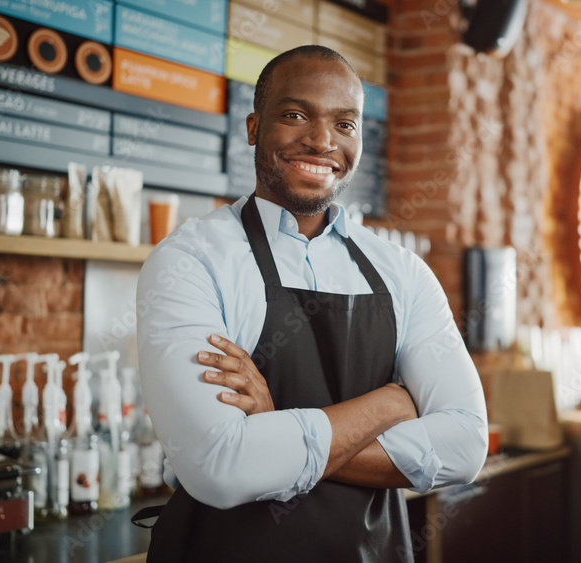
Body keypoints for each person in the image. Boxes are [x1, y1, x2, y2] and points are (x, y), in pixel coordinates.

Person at [135, 45, 488, 561]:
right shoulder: (190, 260)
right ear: (254, 127)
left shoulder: (403, 272)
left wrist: (277, 423)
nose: (322, 141)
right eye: (296, 115)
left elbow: (464, 446)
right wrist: (390, 404)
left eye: (345, 125)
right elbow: (220, 465)